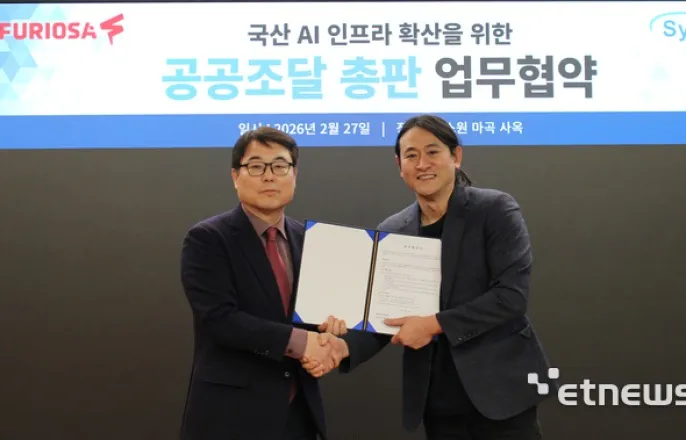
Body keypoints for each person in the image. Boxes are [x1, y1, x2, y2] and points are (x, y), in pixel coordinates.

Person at [310, 115, 558, 439]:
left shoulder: (495, 209)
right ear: (400, 166)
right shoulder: (392, 230)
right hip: (437, 400)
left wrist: (432, 324)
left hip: (502, 392)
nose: (422, 164)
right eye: (411, 155)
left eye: (432, 152)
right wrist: (344, 347)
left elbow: (511, 297)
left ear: (456, 156)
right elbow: (386, 315)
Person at [179, 126, 342, 440]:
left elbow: (314, 316)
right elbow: (219, 320)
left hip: (299, 414)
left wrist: (330, 335)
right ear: (235, 176)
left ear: (294, 174)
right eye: (256, 166)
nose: (269, 176)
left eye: (280, 166)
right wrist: (302, 342)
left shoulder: (310, 239)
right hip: (231, 416)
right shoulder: (207, 239)